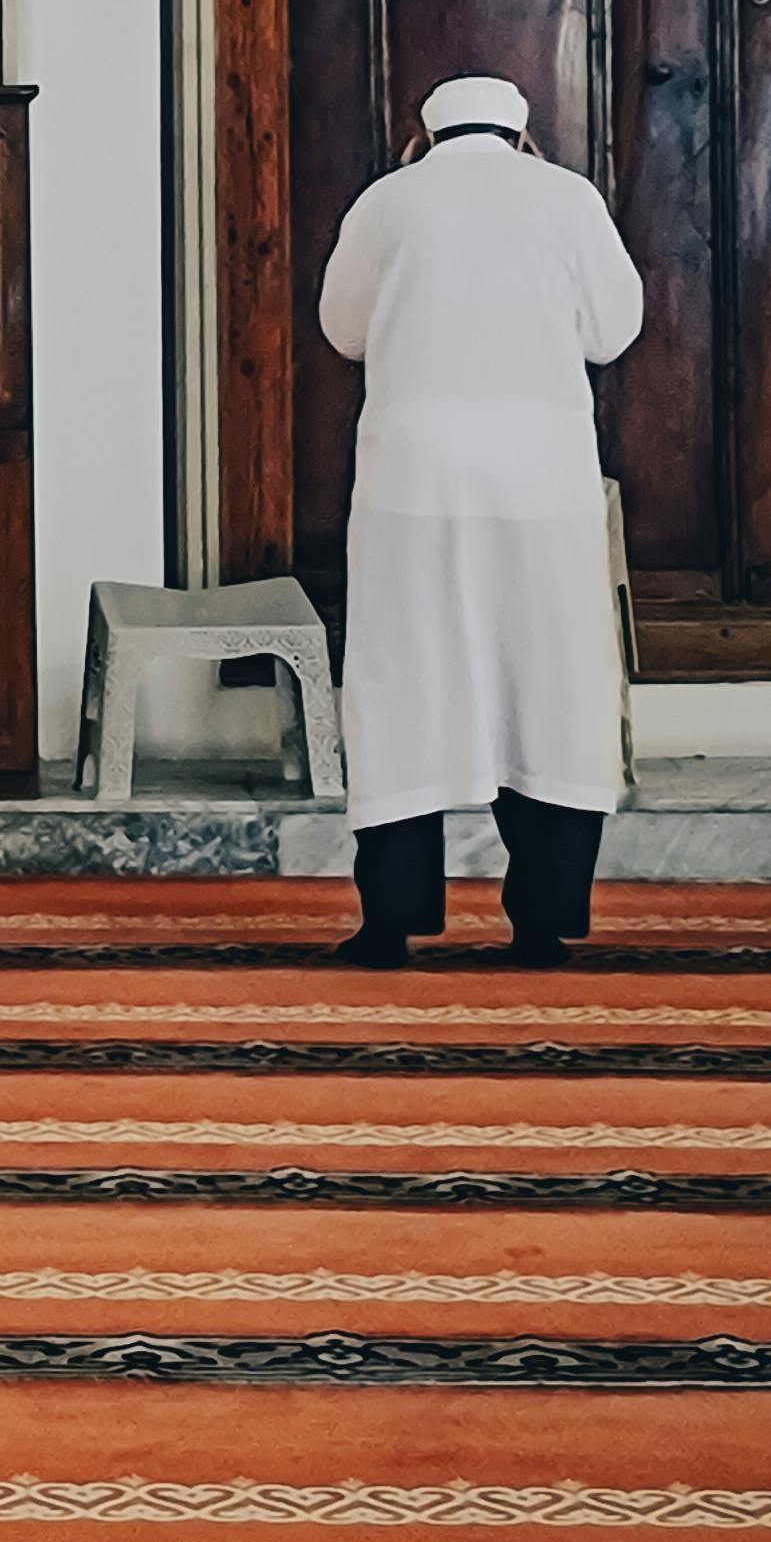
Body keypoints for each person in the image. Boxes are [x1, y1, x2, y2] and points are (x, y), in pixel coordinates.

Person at [317, 71, 645, 968]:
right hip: (541, 482)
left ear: (423, 136)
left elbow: (342, 329)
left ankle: (389, 923)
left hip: (412, 481)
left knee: (402, 680)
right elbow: (613, 330)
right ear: (521, 136)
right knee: (546, 683)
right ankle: (541, 924)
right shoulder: (566, 196)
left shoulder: (389, 199)